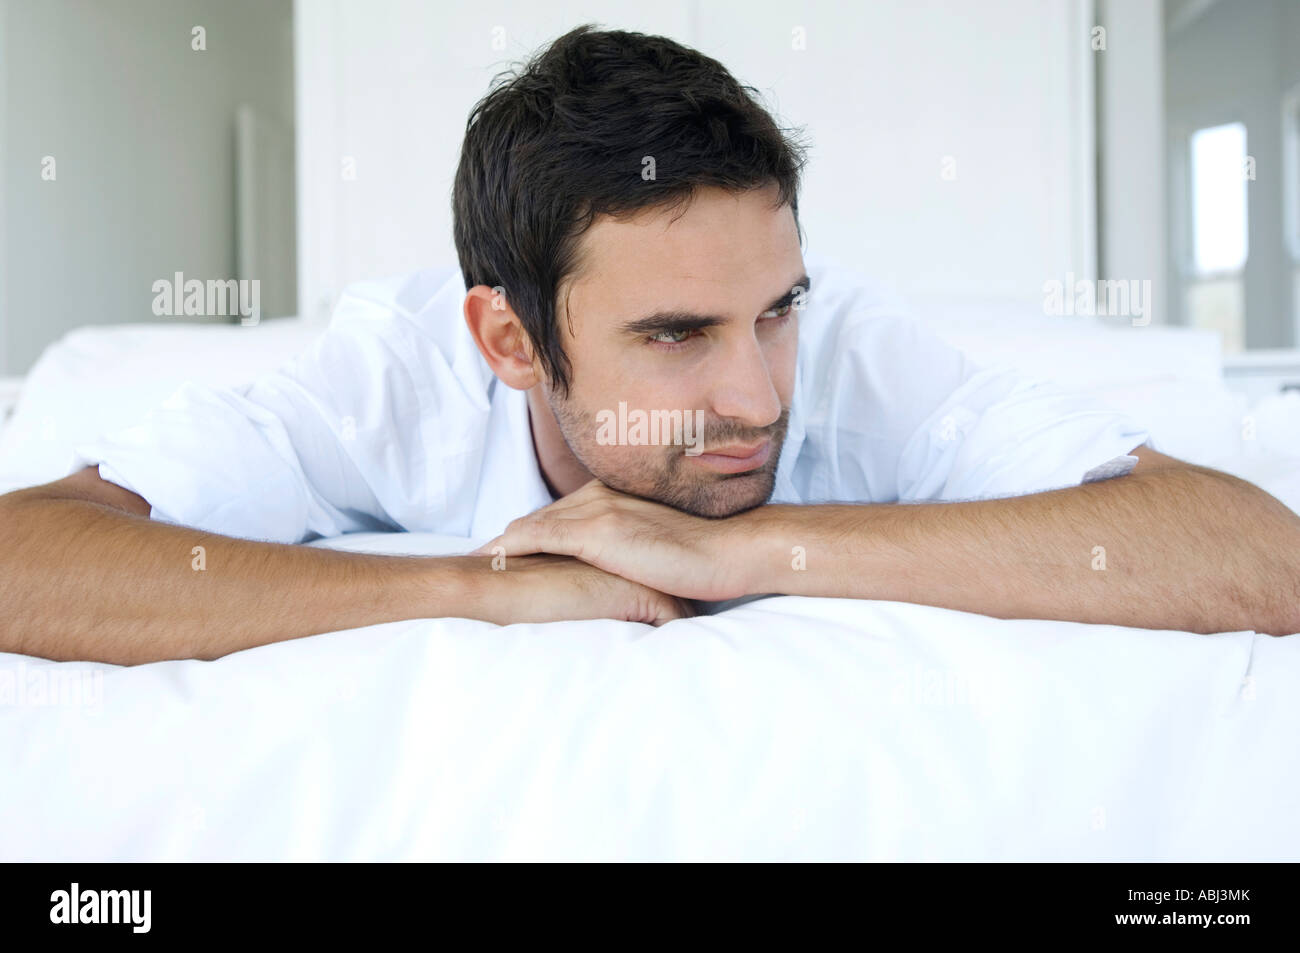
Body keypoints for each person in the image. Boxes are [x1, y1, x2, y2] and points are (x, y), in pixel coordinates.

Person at [2, 25, 1297, 666]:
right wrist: (470, 586)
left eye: (775, 310)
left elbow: (1260, 559)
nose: (756, 392)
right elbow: (26, 555)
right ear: (508, 339)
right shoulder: (389, 378)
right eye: (675, 333)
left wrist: (742, 549)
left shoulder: (853, 350)